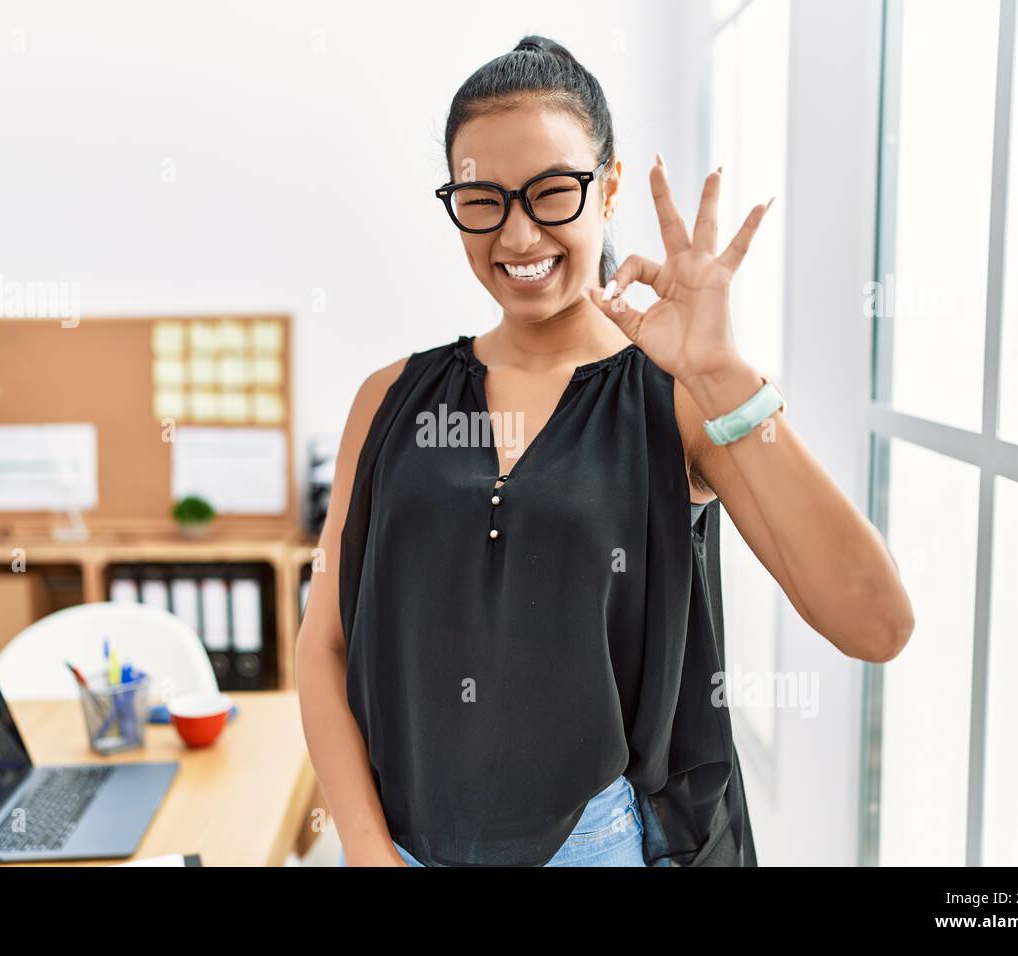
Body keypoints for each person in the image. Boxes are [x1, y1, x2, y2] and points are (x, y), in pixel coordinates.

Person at [297, 34, 914, 868]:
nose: (517, 236)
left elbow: (874, 622)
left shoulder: (679, 399)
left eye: (552, 192)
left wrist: (724, 375)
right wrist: (368, 851)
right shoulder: (388, 397)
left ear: (609, 186)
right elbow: (323, 641)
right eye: (482, 201)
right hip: (397, 848)